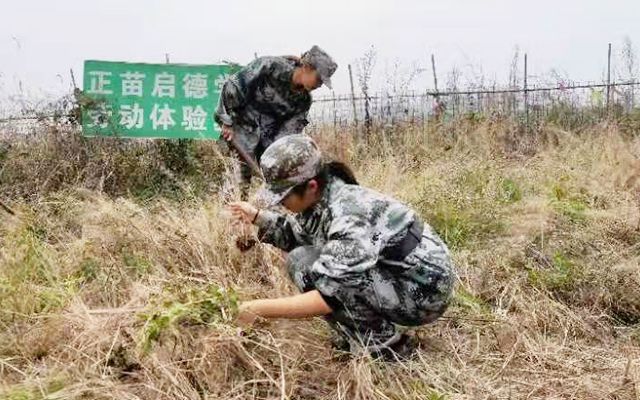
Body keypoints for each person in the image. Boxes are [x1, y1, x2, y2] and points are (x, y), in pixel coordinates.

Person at [228, 135, 455, 359]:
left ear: (311, 186)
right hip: (399, 274)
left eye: (282, 197)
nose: (279, 203)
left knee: (316, 272)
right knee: (300, 259)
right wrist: (257, 217)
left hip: (423, 291)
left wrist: (256, 309)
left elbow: (329, 296)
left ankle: (385, 346)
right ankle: (363, 334)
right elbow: (296, 233)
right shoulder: (323, 196)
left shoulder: (348, 213)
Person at [214, 46, 337, 199]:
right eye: (318, 79)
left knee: (274, 191)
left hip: (268, 142)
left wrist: (278, 161)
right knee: (237, 182)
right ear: (306, 67)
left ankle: (257, 216)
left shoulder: (303, 101)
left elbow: (288, 134)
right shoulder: (270, 66)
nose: (319, 85)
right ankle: (230, 217)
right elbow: (234, 87)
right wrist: (227, 121)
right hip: (242, 130)